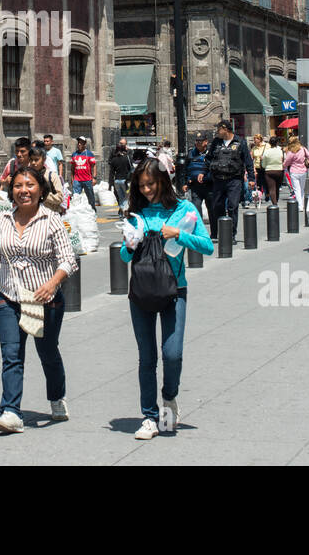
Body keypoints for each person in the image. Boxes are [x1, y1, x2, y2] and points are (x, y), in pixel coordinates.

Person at [0, 164, 76, 433]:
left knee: (47, 352)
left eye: (29, 185)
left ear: (40, 190)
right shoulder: (2, 220)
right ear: (11, 191)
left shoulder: (52, 220)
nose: (24, 191)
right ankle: (11, 411)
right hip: (9, 297)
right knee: (11, 354)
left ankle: (57, 396)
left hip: (41, 300)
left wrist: (52, 283)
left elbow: (68, 260)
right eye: (18, 186)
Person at [119, 158, 213, 440]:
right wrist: (129, 245)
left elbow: (207, 246)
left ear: (163, 181)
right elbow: (124, 256)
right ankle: (149, 417)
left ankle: (169, 397)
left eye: (151, 184)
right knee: (146, 357)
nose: (147, 190)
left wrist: (179, 234)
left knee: (173, 354)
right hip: (141, 293)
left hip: (175, 291)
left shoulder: (184, 209)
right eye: (142, 185)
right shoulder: (137, 213)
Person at [209, 120, 254, 238]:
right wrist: (206, 171)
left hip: (234, 179)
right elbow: (209, 158)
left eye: (219, 129)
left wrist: (251, 178)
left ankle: (231, 233)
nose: (217, 132)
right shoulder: (216, 142)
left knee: (232, 206)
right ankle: (223, 230)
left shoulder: (240, 142)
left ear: (225, 129)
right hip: (218, 179)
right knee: (217, 206)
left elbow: (248, 161)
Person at [27, 145, 66, 214]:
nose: (33, 162)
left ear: (44, 160)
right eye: (31, 160)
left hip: (50, 215)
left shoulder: (52, 176)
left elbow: (60, 198)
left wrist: (43, 195)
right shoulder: (26, 176)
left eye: (36, 160)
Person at [185, 134, 211, 219]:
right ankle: (199, 229)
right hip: (195, 186)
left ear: (206, 142)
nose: (198, 143)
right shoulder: (191, 153)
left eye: (200, 141)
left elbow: (213, 168)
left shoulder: (211, 153)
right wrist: (187, 182)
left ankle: (214, 231)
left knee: (212, 210)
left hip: (209, 185)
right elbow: (186, 169)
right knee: (196, 209)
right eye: (197, 141)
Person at [282, 135, 309, 207]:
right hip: (303, 171)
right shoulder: (303, 149)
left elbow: (287, 162)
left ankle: (300, 205)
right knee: (302, 189)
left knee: (296, 190)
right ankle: (302, 204)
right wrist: (305, 161)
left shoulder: (291, 151)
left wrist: (283, 166)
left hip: (294, 172)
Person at [70, 137, 98, 210]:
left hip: (87, 179)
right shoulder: (74, 154)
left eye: (81, 143)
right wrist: (72, 179)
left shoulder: (89, 154)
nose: (79, 144)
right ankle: (76, 212)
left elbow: (94, 165)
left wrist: (94, 178)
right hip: (77, 180)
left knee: (90, 197)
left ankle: (93, 210)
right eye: (78, 142)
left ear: (85, 144)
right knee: (76, 197)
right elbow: (72, 167)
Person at [109, 140, 135, 219]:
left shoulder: (114, 160)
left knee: (120, 197)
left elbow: (111, 173)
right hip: (125, 181)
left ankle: (121, 211)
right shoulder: (127, 158)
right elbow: (132, 169)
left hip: (117, 181)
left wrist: (110, 184)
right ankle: (124, 210)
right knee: (126, 197)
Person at [261, 136, 284, 204]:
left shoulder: (266, 152)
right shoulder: (280, 151)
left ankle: (274, 203)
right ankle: (276, 200)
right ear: (277, 143)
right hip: (279, 170)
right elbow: (283, 160)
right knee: (277, 187)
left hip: (269, 171)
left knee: (271, 188)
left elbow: (263, 165)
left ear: (270, 143)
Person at [250, 134, 268, 199]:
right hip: (257, 167)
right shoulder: (254, 148)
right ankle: (259, 196)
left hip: (265, 167)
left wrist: (264, 157)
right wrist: (253, 168)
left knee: (266, 181)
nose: (254, 140)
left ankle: (267, 194)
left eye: (256, 139)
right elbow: (251, 158)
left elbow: (270, 154)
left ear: (260, 139)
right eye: (254, 139)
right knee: (258, 182)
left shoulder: (266, 146)